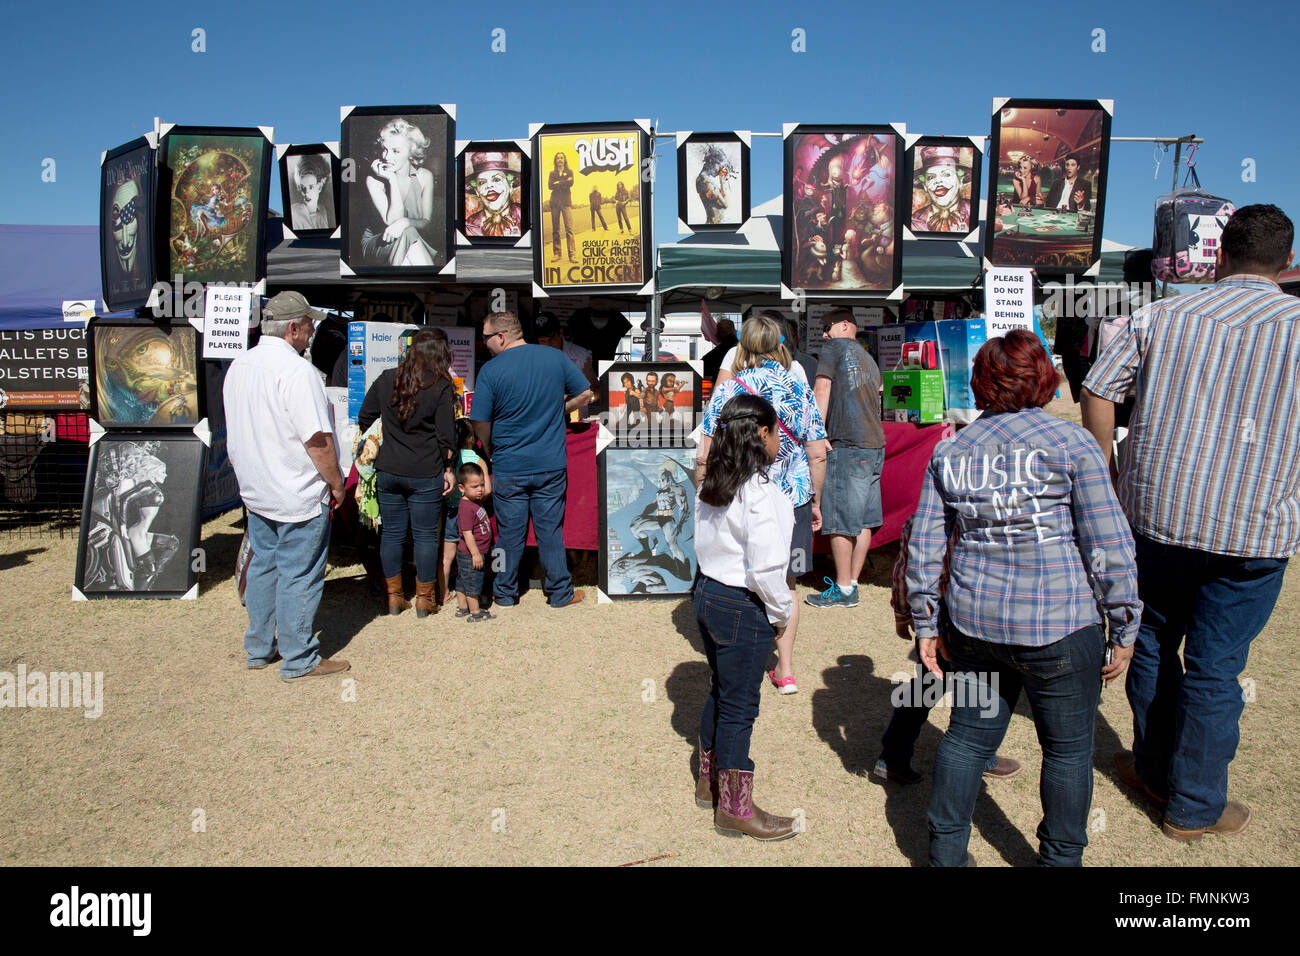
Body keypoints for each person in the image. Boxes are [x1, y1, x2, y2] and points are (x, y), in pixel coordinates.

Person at [1081, 203, 1300, 842]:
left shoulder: (1162, 315)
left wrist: (1107, 471)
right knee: (1215, 666)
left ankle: (1155, 769)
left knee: (1150, 640)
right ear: (1286, 264)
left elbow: (1097, 388)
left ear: (1220, 254)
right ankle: (1195, 805)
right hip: (1255, 528)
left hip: (1158, 515)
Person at [908, 330, 1140, 865]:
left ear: (982, 383)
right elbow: (1107, 541)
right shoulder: (1073, 443)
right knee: (1066, 749)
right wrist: (1124, 622)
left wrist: (926, 622)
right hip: (1060, 626)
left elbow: (923, 546)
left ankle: (946, 855)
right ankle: (1059, 859)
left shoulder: (953, 450)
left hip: (975, 623)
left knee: (967, 738)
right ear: (1044, 378)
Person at [697, 314, 828, 696]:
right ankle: (784, 669)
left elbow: (705, 454)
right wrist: (815, 500)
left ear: (744, 346)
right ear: (781, 343)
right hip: (792, 495)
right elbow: (817, 452)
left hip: (736, 495)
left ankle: (731, 665)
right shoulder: (799, 382)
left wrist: (705, 493)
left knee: (737, 576)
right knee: (785, 583)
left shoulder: (728, 389)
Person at [223, 291, 350, 681]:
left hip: (257, 488)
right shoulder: (298, 372)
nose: (313, 332)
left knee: (263, 565)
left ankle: (259, 647)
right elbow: (317, 440)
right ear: (293, 328)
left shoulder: (239, 365)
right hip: (295, 491)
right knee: (300, 573)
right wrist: (337, 482)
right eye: (309, 325)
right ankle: (299, 657)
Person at [693, 393, 799, 841]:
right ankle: (734, 808)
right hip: (742, 603)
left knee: (721, 689)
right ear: (761, 434)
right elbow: (767, 567)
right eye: (777, 431)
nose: (780, 440)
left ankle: (708, 779)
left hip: (708, 593)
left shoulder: (712, 483)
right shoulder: (760, 492)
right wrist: (781, 614)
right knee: (740, 706)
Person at [874, 515, 1019, 783]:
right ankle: (975, 757)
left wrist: (902, 612)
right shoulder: (986, 518)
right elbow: (906, 567)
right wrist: (903, 613)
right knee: (979, 689)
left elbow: (904, 569)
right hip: (966, 618)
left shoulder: (920, 519)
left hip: (939, 617)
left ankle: (892, 757)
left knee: (930, 688)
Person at [470, 310, 594, 608]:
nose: (484, 343)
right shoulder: (554, 358)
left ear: (501, 336)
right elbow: (586, 394)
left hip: (510, 464)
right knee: (549, 530)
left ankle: (504, 593)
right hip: (550, 462)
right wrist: (558, 409)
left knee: (508, 534)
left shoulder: (491, 370)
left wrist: (488, 448)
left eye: (486, 337)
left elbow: (480, 421)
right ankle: (560, 593)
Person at [357, 328, 457, 618]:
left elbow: (365, 417)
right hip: (426, 470)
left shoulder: (388, 378)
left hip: (388, 468)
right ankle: (425, 601)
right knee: (425, 536)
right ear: (440, 353)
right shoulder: (440, 386)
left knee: (392, 535)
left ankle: (394, 598)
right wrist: (447, 469)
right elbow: (446, 437)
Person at [806, 308, 886, 609]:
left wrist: (815, 431)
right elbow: (877, 393)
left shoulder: (833, 348)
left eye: (827, 327)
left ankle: (841, 588)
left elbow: (822, 388)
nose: (824, 334)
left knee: (839, 518)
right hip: (874, 444)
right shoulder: (868, 357)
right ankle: (851, 583)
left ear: (844, 325)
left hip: (847, 442)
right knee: (863, 519)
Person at [362, 118, 437, 267]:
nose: (386, 157)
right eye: (385, 149)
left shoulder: (425, 177)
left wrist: (405, 222)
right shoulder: (373, 180)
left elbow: (426, 222)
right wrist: (392, 180)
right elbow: (392, 221)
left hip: (410, 237)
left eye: (395, 151)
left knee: (407, 233)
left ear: (411, 151)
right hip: (378, 242)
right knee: (408, 233)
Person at [441, 419, 491, 613]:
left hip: (451, 511)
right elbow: (487, 489)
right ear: (472, 437)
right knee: (471, 560)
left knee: (447, 557)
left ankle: (444, 593)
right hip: (471, 513)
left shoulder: (448, 460)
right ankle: (474, 602)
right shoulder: (477, 460)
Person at [715, 311, 810, 388]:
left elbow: (716, 406)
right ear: (780, 344)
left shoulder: (735, 355)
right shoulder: (795, 368)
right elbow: (809, 408)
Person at [455, 461, 496, 622]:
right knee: (472, 583)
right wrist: (476, 554)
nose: (480, 489)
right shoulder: (466, 506)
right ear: (461, 488)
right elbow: (467, 533)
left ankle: (462, 608)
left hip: (473, 553)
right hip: (470, 554)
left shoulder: (475, 501)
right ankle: (475, 612)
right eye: (474, 486)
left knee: (463, 579)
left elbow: (487, 490)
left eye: (481, 485)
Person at [911, 145, 971, 234]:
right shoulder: (915, 221)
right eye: (931, 177)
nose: (938, 181)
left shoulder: (972, 211)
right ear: (925, 186)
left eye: (946, 174)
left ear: (960, 181)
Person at [464, 150, 522, 238]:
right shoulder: (470, 226)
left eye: (496, 180)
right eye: (482, 182)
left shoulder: (522, 214)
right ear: (477, 191)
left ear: (510, 186)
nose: (489, 186)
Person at [290, 153, 334, 232]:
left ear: (319, 187)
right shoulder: (294, 213)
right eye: (303, 187)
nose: (306, 192)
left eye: (311, 187)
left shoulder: (323, 211)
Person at [548, 152, 576, 263]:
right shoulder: (552, 173)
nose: (560, 160)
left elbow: (571, 183)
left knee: (569, 229)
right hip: (554, 203)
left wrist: (558, 182)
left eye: (561, 158)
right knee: (556, 230)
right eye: (558, 158)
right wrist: (564, 182)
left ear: (564, 160)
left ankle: (572, 255)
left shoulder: (570, 172)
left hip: (566, 202)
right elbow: (550, 186)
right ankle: (557, 254)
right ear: (555, 161)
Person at [702, 318, 738, 382]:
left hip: (722, 385)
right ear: (734, 331)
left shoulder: (718, 351)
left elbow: (702, 365)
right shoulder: (741, 348)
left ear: (720, 333)